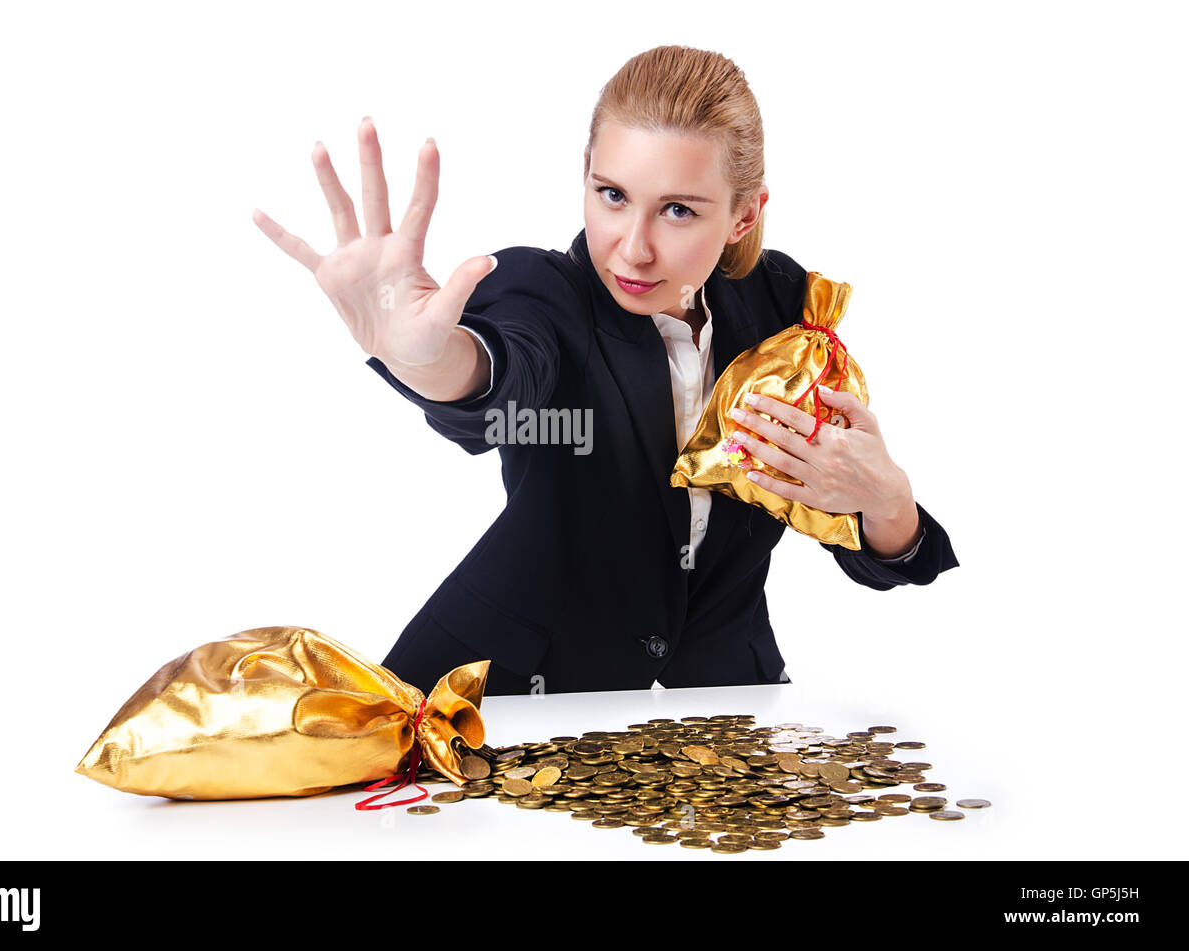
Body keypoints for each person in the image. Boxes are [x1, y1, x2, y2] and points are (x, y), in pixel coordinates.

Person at [253, 45, 959, 698]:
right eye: (612, 195)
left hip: (725, 704)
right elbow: (497, 380)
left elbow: (867, 535)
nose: (632, 249)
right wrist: (424, 358)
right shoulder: (545, 292)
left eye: (678, 210)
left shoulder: (783, 305)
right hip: (510, 697)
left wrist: (888, 500)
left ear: (745, 216)